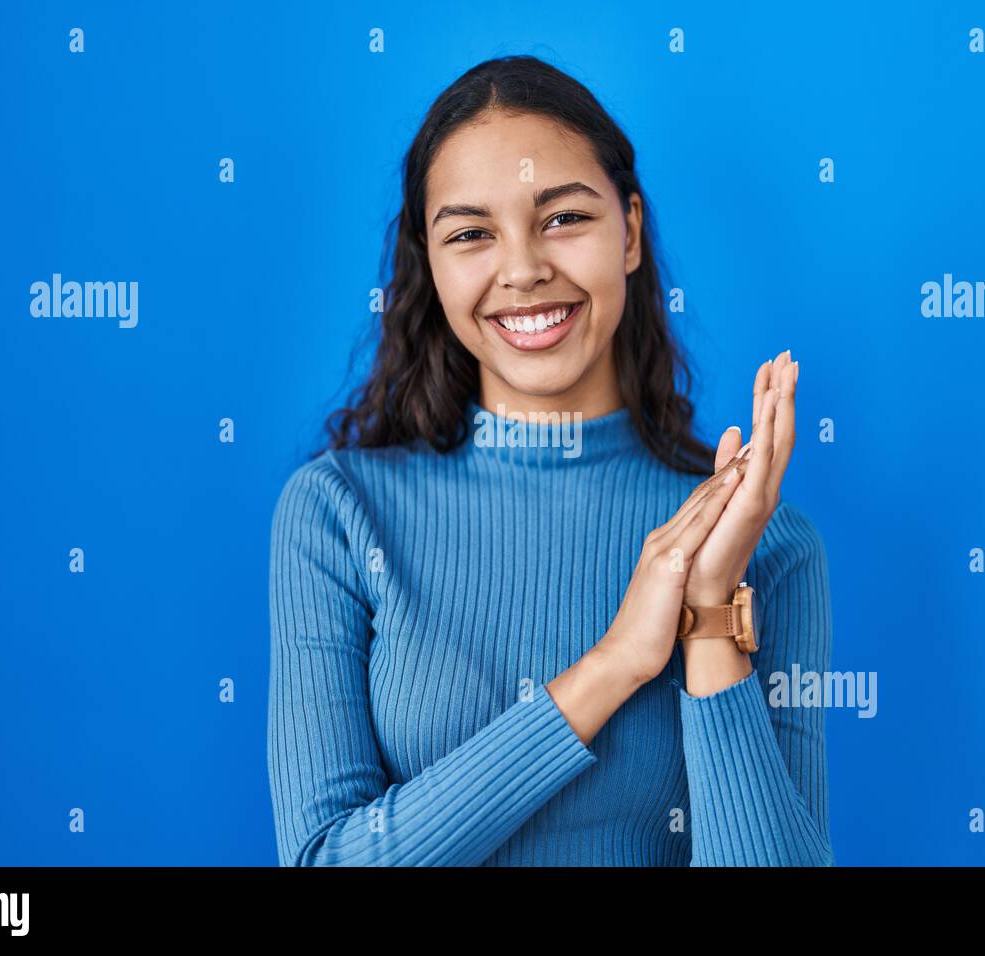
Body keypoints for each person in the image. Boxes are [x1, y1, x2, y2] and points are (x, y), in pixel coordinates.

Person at [267, 54, 832, 866]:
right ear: (430, 260)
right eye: (470, 233)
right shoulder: (337, 513)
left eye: (564, 218)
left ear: (630, 231)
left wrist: (710, 616)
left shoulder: (763, 545)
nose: (525, 269)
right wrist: (613, 665)